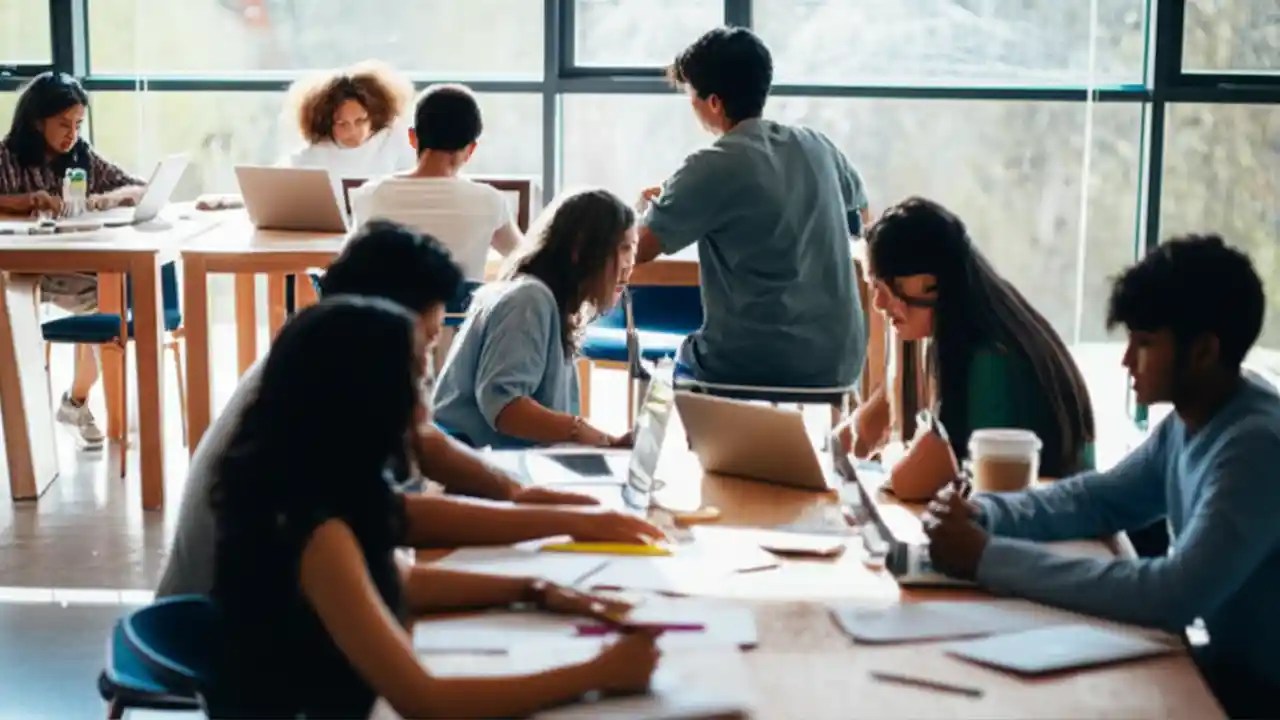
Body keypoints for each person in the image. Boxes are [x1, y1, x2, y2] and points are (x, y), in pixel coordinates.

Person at [207, 297, 660, 718]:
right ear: (367, 403)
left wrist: (535, 589)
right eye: (417, 384)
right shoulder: (315, 531)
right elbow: (425, 699)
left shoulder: (313, 481)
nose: (424, 411)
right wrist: (600, 673)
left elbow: (397, 581)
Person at [156, 220, 661, 598]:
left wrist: (528, 497)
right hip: (230, 626)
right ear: (380, 323)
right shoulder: (331, 386)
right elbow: (398, 520)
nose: (426, 364)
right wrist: (563, 527)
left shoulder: (319, 354)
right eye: (425, 341)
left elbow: (425, 443)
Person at [923, 235, 1280, 718]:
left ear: (1203, 352)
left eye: (1145, 343)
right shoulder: (1192, 418)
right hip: (1226, 674)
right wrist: (985, 513)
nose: (1127, 359)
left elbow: (1172, 595)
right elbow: (1099, 499)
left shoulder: (1256, 447)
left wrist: (987, 557)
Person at [634, 26, 870, 389]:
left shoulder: (710, 166)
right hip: (839, 363)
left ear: (714, 103)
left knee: (666, 375)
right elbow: (861, 217)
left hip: (748, 365)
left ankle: (690, 429)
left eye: (692, 95)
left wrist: (641, 209)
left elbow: (635, 250)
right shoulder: (817, 145)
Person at [836, 197, 1096, 478]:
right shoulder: (983, 326)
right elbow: (869, 427)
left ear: (930, 281)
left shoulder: (988, 359)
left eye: (886, 285)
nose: (878, 303)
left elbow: (917, 479)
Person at [0, 71, 145, 446]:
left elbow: (138, 187)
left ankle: (76, 400)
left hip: (70, 265)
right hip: (18, 270)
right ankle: (42, 423)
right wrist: (25, 201)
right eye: (64, 124)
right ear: (37, 121)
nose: (72, 134)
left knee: (114, 299)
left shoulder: (81, 157)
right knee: (108, 302)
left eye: (78, 124)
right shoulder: (6, 157)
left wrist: (107, 199)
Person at [433, 189, 634, 449]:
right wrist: (584, 433)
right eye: (623, 248)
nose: (630, 263)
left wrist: (604, 442)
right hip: (475, 459)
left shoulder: (550, 303)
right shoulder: (528, 300)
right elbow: (505, 407)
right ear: (580, 249)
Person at [351, 83, 521, 281]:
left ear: (412, 137)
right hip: (461, 302)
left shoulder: (371, 196)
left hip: (389, 301)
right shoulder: (490, 201)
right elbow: (524, 259)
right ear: (470, 149)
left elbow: (351, 265)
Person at [283, 59, 416, 184]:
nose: (352, 131)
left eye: (360, 121)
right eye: (342, 124)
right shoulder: (313, 155)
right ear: (326, 123)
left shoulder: (395, 137)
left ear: (374, 116)